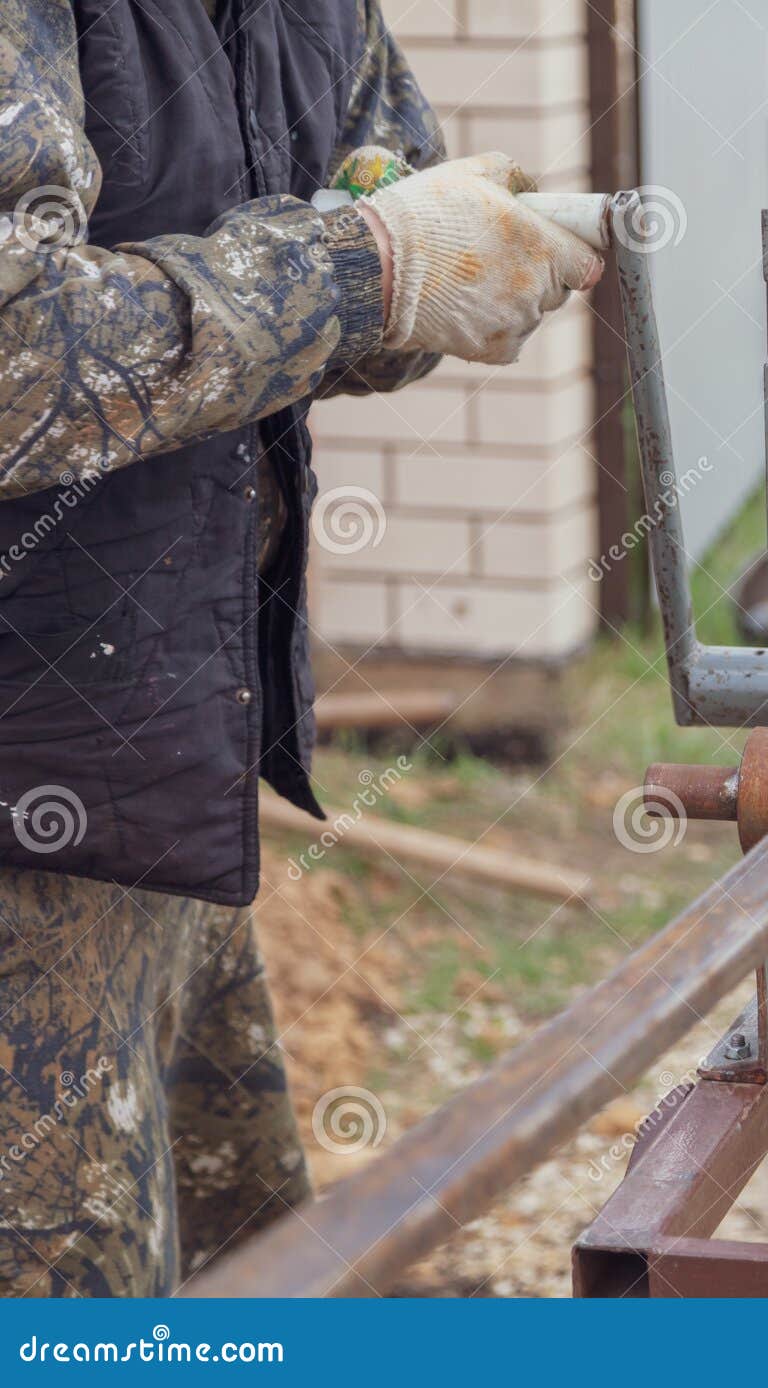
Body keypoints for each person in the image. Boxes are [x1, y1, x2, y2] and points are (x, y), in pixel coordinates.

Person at [0, 0, 602, 1296]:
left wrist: (429, 250)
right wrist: (359, 271)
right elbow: (13, 354)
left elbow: (370, 194)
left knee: (230, 1286)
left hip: (162, 768)